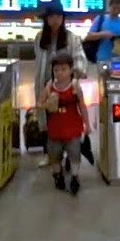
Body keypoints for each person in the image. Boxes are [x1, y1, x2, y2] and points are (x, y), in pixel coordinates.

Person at [34, 3, 87, 168]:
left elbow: (79, 58)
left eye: (58, 16)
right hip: (45, 84)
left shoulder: (71, 38)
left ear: (63, 18)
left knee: (67, 118)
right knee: (47, 119)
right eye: (51, 17)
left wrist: (75, 77)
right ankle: (49, 154)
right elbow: (38, 60)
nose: (55, 20)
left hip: (66, 86)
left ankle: (70, 154)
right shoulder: (40, 38)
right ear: (46, 19)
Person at [40, 52, 90, 195]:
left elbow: (82, 105)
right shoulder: (49, 86)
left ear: (70, 70)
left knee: (74, 152)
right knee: (54, 154)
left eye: (63, 69)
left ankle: (74, 177)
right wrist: (47, 105)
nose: (60, 73)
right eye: (56, 70)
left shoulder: (75, 86)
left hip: (72, 126)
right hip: (55, 128)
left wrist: (87, 124)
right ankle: (58, 175)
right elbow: (39, 102)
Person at [84, 0, 120, 66]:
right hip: (102, 59)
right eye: (114, 8)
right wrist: (102, 34)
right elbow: (88, 37)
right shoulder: (100, 19)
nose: (116, 11)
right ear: (109, 6)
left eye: (119, 9)